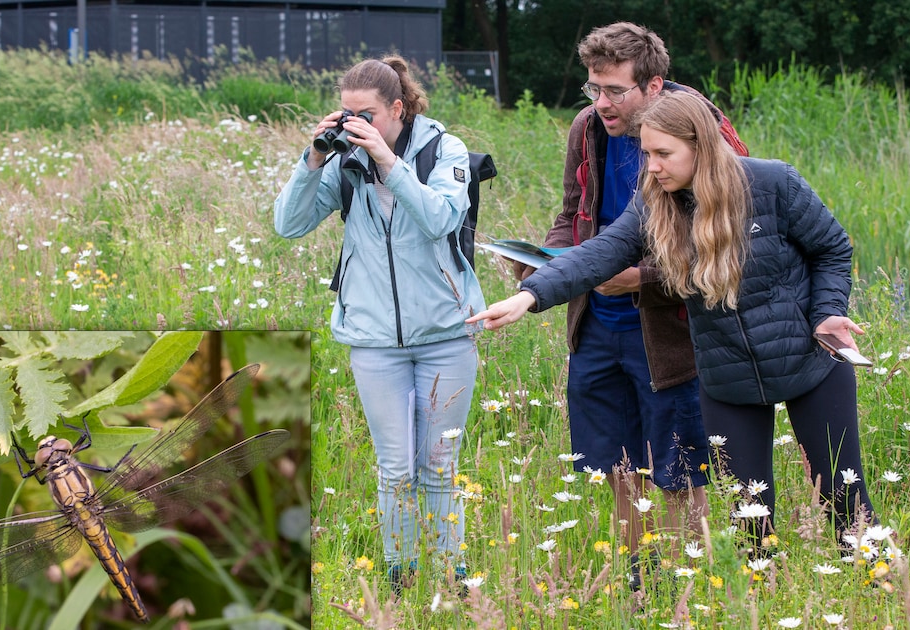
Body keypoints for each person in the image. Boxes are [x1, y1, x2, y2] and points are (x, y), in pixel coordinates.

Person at [470, 90, 877, 551]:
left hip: (812, 361)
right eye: (647, 154)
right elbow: (599, 254)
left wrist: (827, 314)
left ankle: (881, 590)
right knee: (750, 518)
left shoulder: (772, 183)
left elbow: (832, 249)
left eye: (664, 154)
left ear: (700, 147)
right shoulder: (653, 205)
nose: (653, 166)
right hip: (727, 377)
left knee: (845, 501)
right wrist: (530, 296)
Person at [515, 22, 748, 586]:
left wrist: (642, 280)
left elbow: (728, 237)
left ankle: (687, 585)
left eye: (615, 90)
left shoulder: (700, 125)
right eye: (593, 89)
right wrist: (550, 262)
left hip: (669, 334)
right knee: (615, 467)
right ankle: (637, 583)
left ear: (654, 85)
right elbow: (575, 212)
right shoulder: (588, 129)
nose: (602, 103)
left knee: (678, 468)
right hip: (596, 324)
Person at [273, 55, 484, 596]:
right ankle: (399, 576)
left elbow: (440, 218)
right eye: (344, 114)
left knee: (438, 465)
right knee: (395, 469)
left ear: (396, 108)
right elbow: (288, 225)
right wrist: (315, 155)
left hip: (444, 333)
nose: (352, 124)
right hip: (372, 339)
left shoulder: (445, 150)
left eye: (363, 114)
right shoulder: (344, 162)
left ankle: (454, 577)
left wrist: (389, 162)